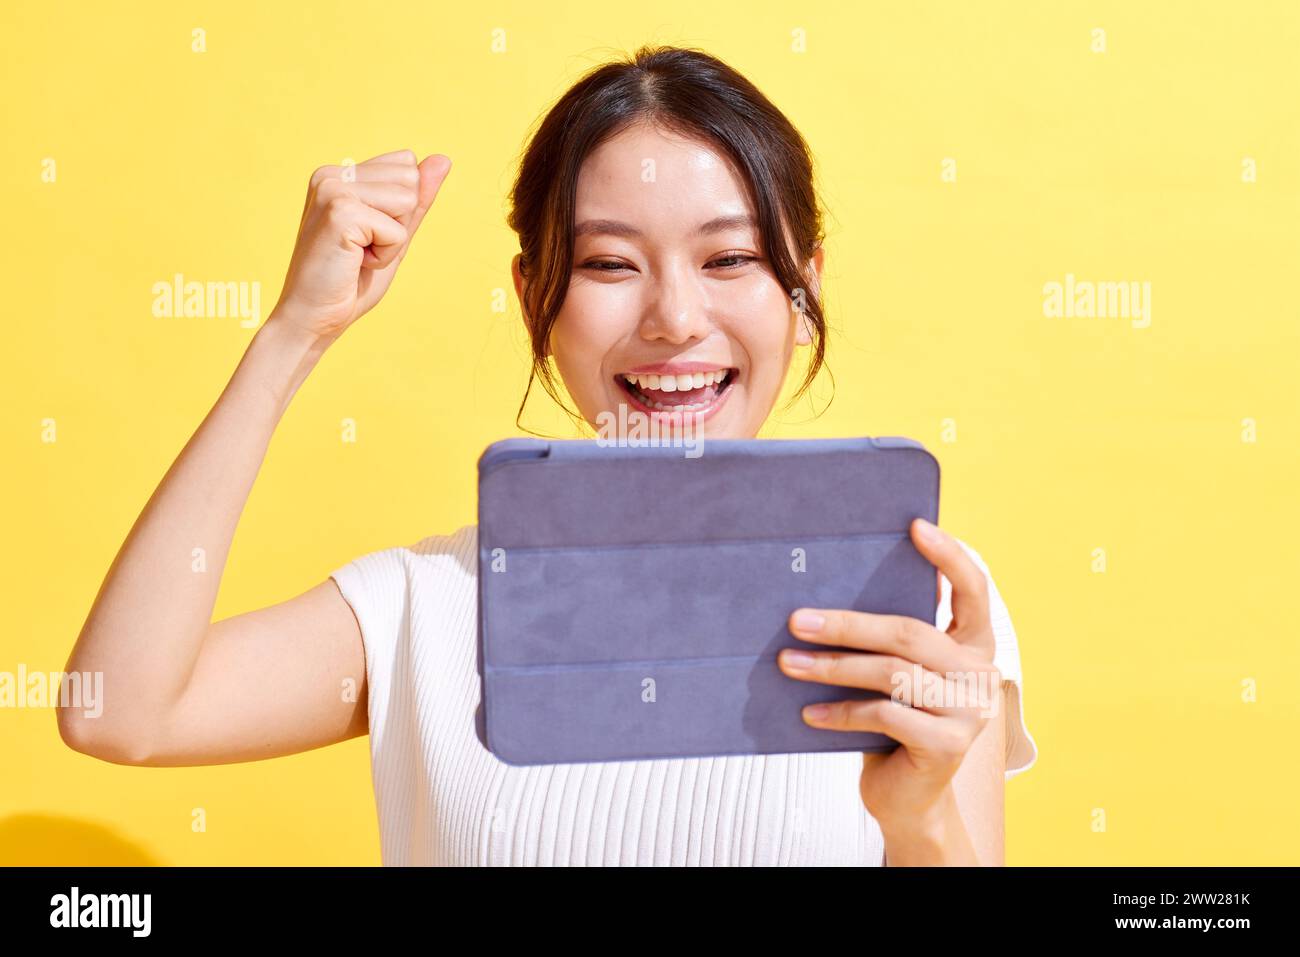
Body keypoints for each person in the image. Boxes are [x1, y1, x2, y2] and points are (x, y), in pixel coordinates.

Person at [58, 45, 1037, 866]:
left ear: (801, 287)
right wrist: (292, 337)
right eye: (610, 263)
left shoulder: (913, 603)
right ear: (533, 297)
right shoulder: (426, 607)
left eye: (729, 260)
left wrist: (918, 819)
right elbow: (119, 714)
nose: (675, 320)